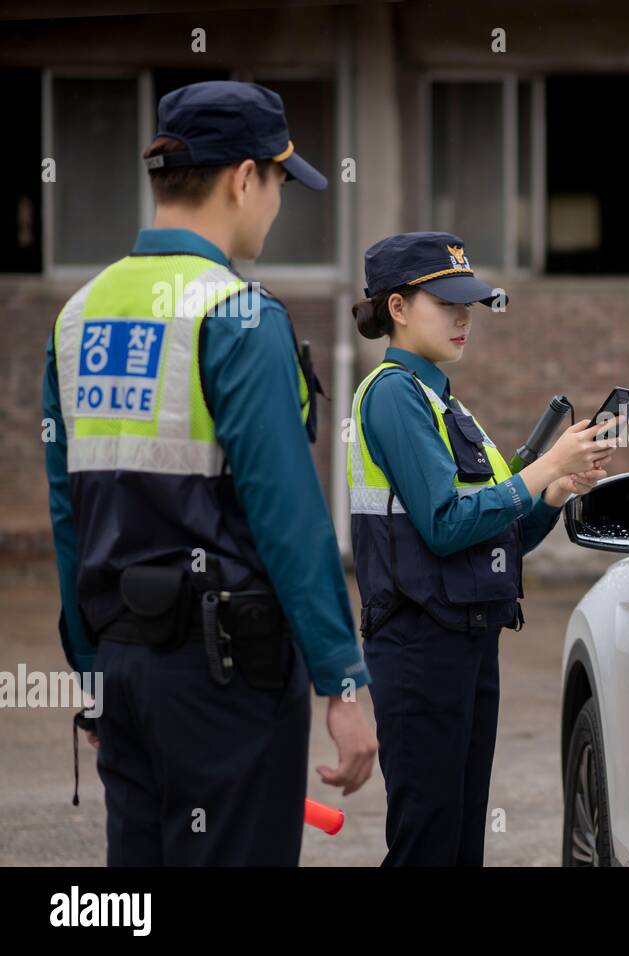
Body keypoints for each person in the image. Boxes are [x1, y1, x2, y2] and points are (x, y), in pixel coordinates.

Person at [43, 81, 377, 866]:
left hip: (123, 669)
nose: (279, 203)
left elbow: (68, 517)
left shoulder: (77, 317)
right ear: (241, 178)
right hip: (229, 680)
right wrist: (344, 682)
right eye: (280, 182)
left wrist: (93, 677)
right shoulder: (237, 315)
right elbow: (288, 516)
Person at [347, 231, 616, 866]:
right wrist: (541, 466)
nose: (464, 316)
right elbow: (443, 523)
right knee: (428, 843)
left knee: (462, 840)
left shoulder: (444, 403)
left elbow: (502, 537)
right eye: (447, 302)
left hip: (465, 639)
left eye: (470, 302)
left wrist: (552, 491)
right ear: (399, 307)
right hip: (418, 644)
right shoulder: (393, 395)